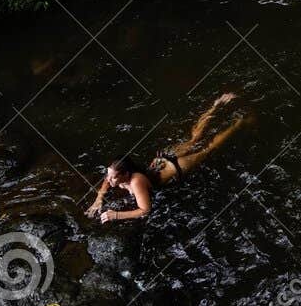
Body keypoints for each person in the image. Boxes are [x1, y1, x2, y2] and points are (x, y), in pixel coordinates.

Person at [85, 92, 247, 223]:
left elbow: (145, 210)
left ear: (125, 175)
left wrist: (116, 215)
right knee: (193, 139)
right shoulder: (119, 174)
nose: (109, 179)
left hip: (175, 165)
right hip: (162, 159)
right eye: (109, 175)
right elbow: (107, 179)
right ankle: (216, 104)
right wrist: (99, 198)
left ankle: (239, 122)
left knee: (208, 149)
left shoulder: (136, 181)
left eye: (113, 177)